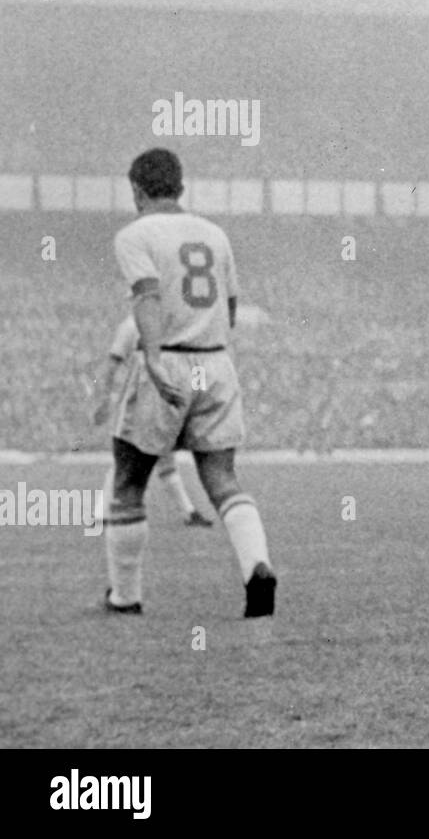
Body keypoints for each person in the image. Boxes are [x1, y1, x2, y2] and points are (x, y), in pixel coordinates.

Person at [104, 148, 275, 616]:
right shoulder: (215, 235)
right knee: (221, 476)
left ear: (137, 189)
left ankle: (125, 595)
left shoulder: (135, 234)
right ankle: (256, 565)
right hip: (216, 362)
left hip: (169, 361)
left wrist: (155, 357)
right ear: (180, 187)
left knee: (128, 480)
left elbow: (146, 296)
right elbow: (232, 308)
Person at [91, 315, 213, 527]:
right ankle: (100, 515)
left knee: (162, 460)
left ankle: (188, 512)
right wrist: (103, 398)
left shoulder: (175, 325)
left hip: (165, 406)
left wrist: (197, 395)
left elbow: (196, 364)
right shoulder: (135, 324)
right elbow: (112, 363)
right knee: (128, 459)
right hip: (138, 405)